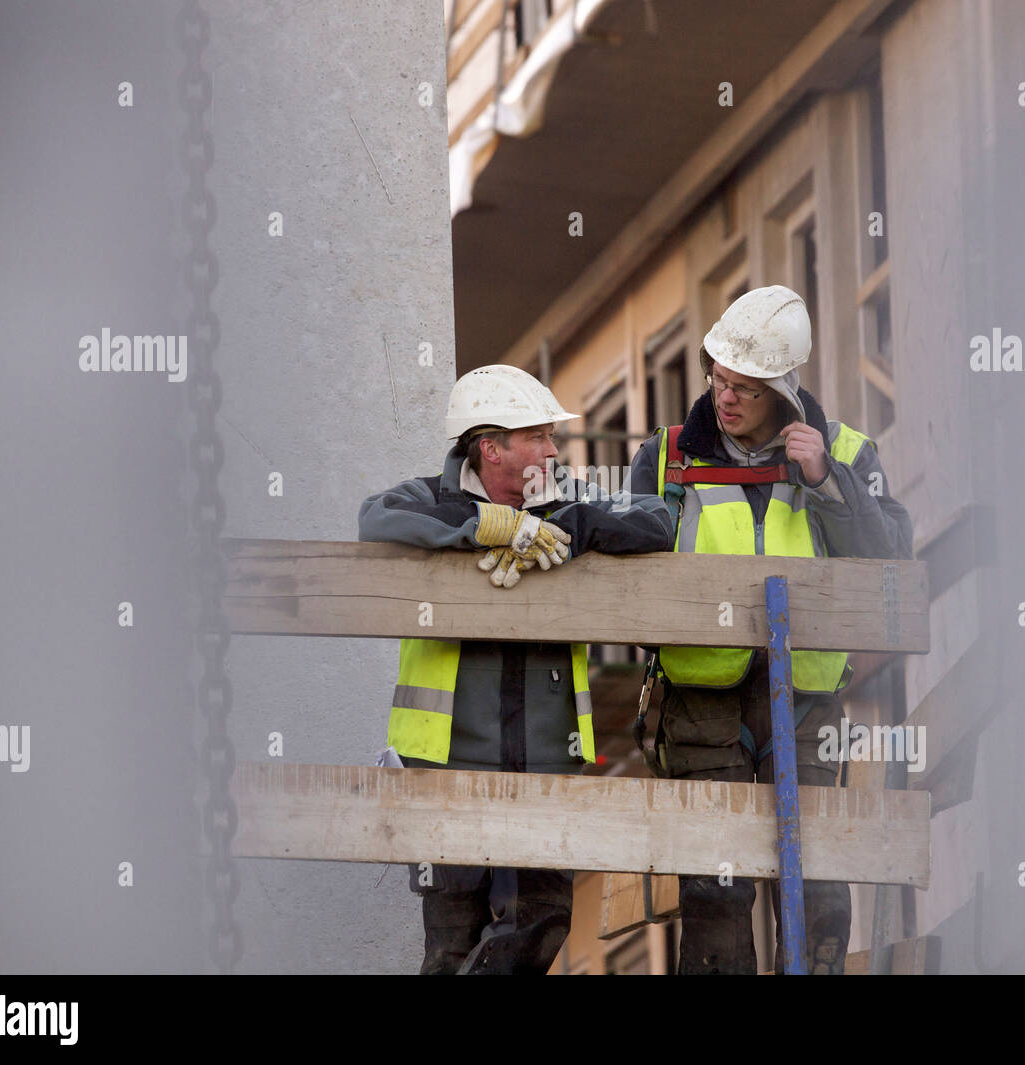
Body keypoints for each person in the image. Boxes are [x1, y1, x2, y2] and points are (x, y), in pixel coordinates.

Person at [627, 285, 914, 974]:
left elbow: (891, 558)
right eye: (719, 380)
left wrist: (826, 481)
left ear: (783, 392)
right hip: (701, 706)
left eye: (745, 389)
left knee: (819, 891)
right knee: (716, 897)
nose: (725, 398)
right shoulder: (666, 458)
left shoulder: (844, 452)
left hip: (808, 703)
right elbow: (630, 573)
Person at [359, 363, 675, 974]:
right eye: (540, 436)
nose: (554, 450)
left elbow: (658, 519)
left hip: (547, 758)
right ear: (491, 447)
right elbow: (377, 517)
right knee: (452, 941)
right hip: (445, 760)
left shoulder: (569, 500)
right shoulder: (430, 500)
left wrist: (572, 526)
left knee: (545, 917)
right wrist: (482, 527)